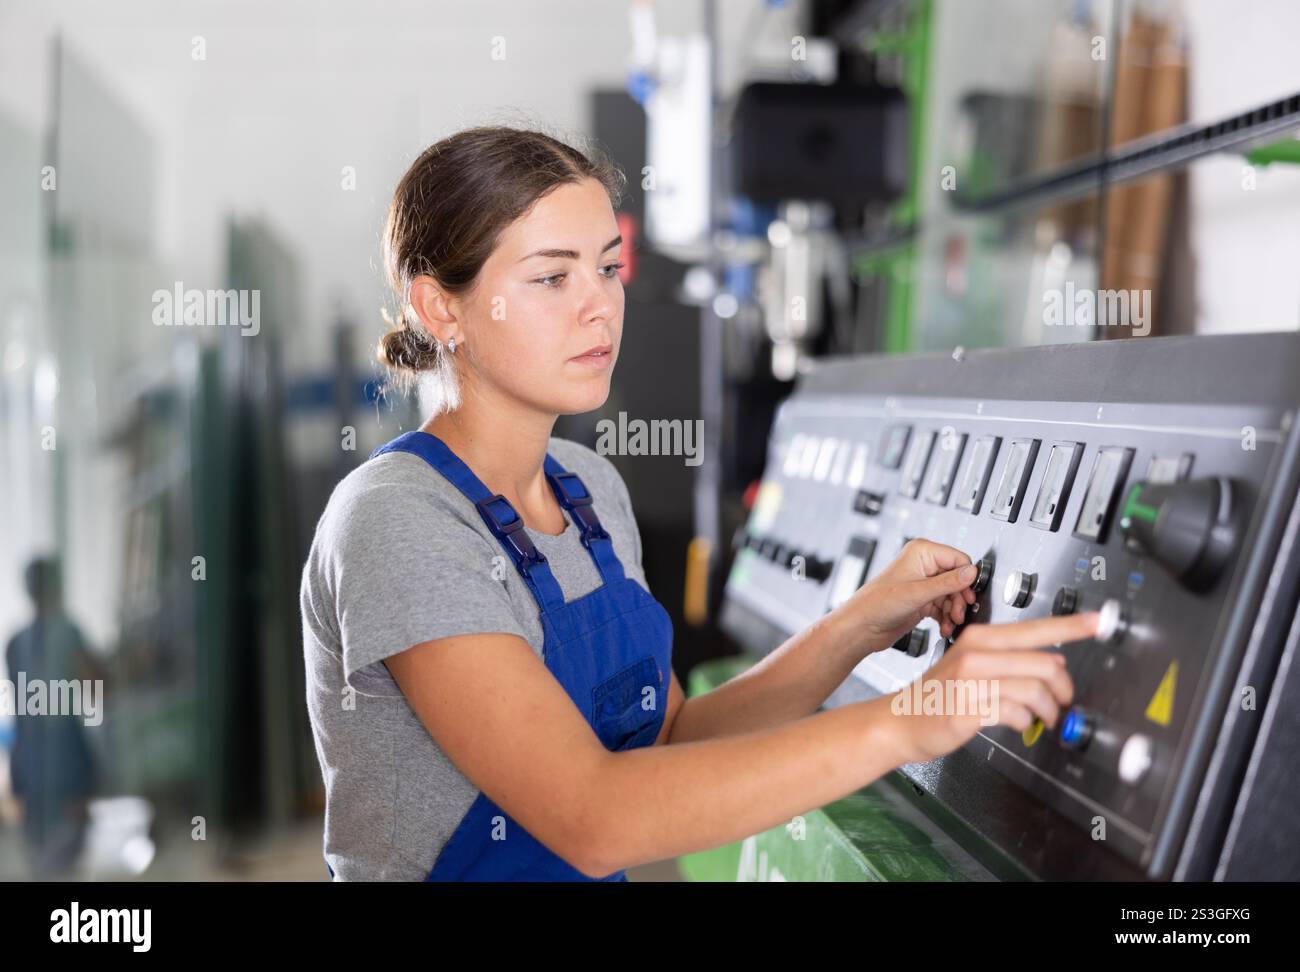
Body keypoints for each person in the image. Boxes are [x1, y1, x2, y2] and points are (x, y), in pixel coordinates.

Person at [299, 125, 1101, 881]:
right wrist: (906, 722)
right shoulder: (398, 519)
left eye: (607, 267)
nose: (598, 306)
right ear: (441, 308)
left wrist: (858, 625)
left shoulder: (588, 491)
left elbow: (675, 741)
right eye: (552, 277)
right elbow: (592, 815)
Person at [5, 556, 101, 879]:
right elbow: (96, 687)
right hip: (62, 750)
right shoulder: (67, 632)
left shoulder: (15, 643)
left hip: (30, 755)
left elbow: (21, 710)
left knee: (43, 852)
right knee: (67, 849)